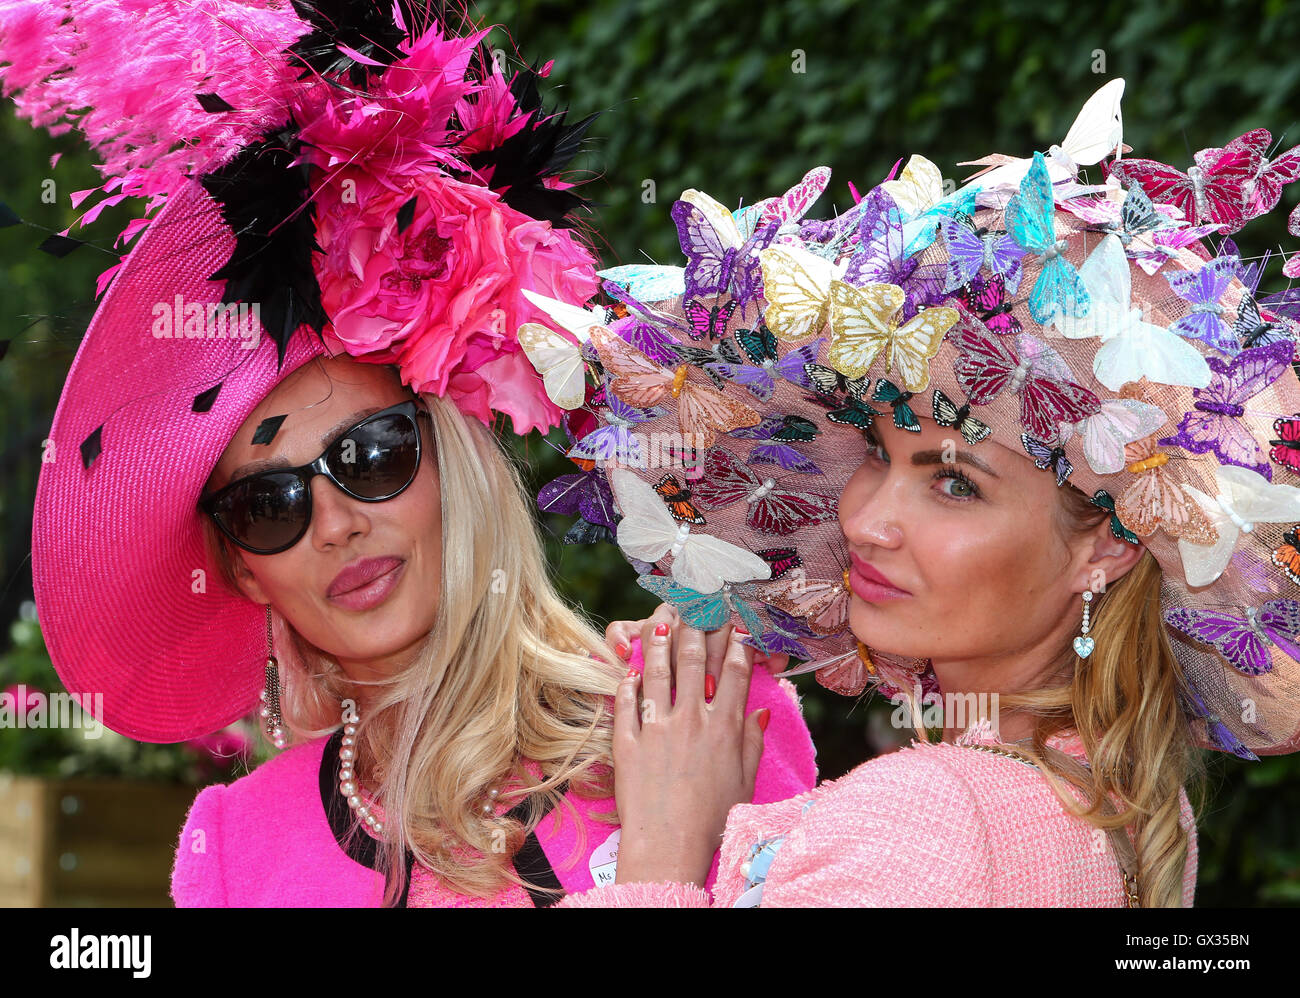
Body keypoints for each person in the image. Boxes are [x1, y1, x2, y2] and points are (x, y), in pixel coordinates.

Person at [4, 0, 816, 906]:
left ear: (452, 453)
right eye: (269, 506)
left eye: (371, 455)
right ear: (238, 570)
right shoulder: (235, 848)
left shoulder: (691, 703)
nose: (339, 525)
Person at [542, 89, 1300, 906]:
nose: (864, 522)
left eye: (953, 483)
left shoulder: (927, 818)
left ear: (1110, 544)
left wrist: (660, 857)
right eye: (877, 450)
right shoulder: (1131, 813)